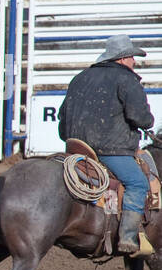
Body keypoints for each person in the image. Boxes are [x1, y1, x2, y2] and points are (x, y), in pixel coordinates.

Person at [59, 34, 157, 255]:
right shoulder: (126, 80)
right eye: (132, 57)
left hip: (77, 148)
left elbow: (62, 117)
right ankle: (129, 236)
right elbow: (140, 117)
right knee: (137, 182)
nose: (134, 62)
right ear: (122, 59)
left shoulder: (80, 77)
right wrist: (147, 122)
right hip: (110, 150)